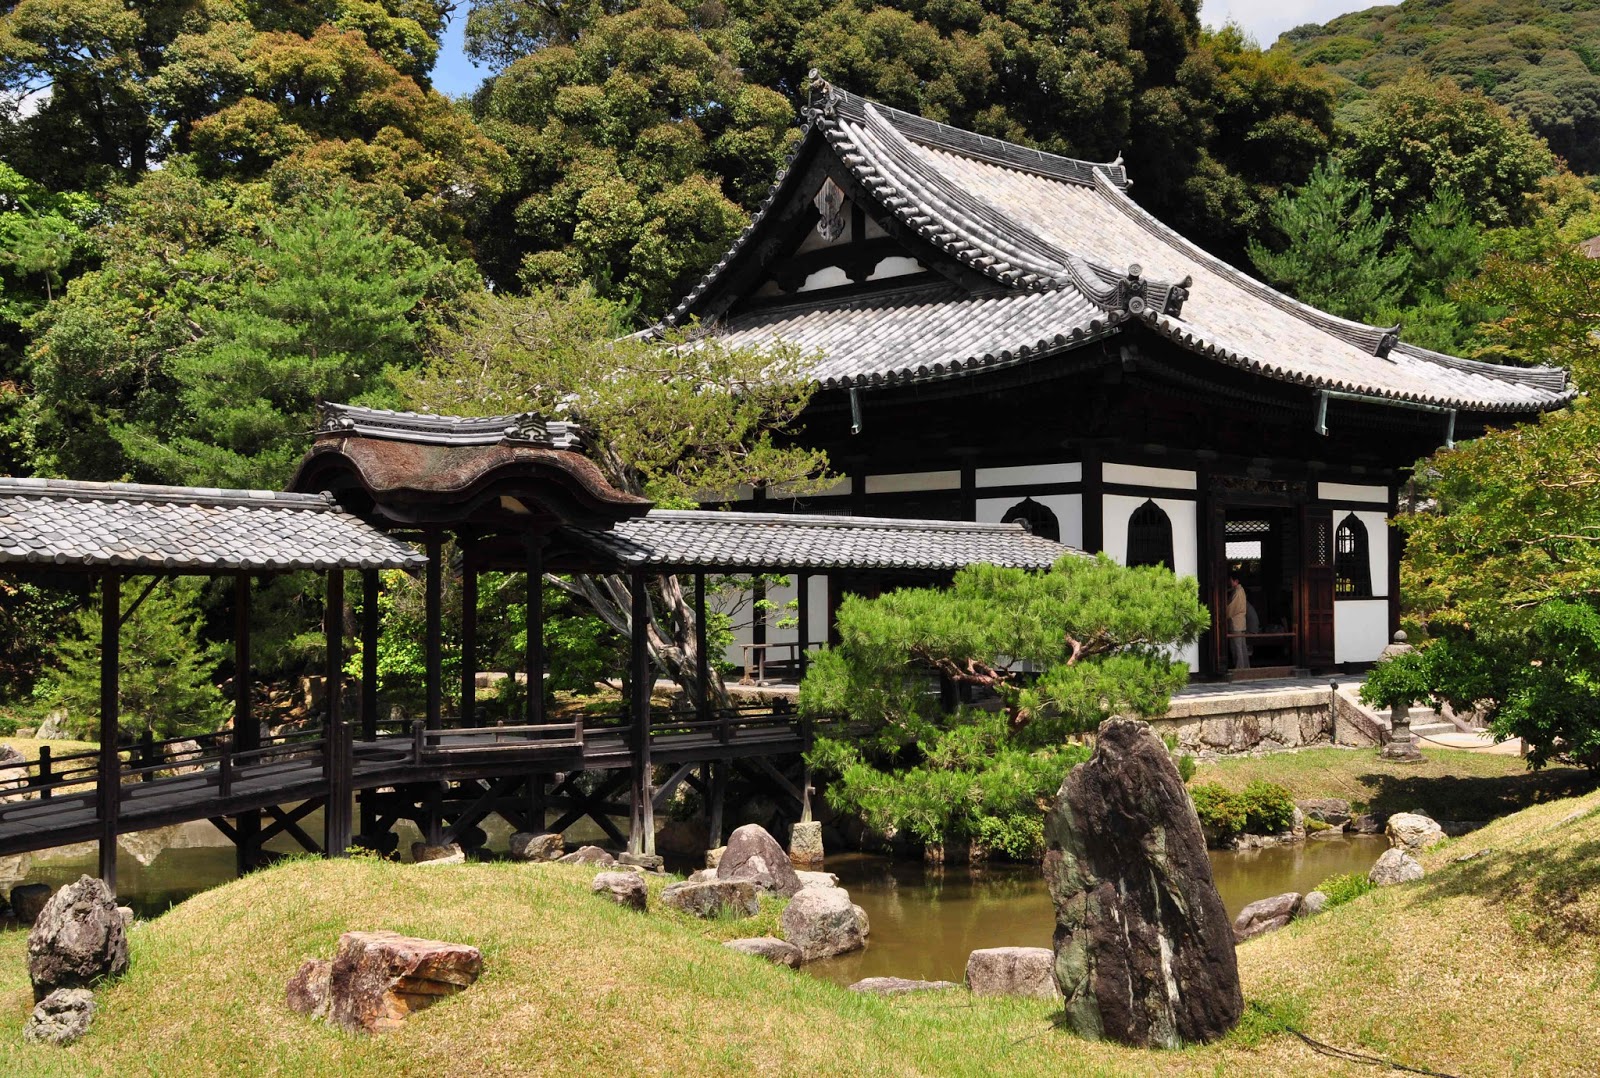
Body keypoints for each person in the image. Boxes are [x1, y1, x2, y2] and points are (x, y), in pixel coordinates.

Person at [1226, 571, 1249, 670]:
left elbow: (1232, 608)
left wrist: (1224, 613)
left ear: (1236, 581)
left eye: (1231, 581)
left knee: (1237, 646)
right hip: (1241, 622)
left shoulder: (1238, 592)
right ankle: (1245, 667)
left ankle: (1240, 668)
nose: (1230, 582)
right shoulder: (1240, 590)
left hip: (1237, 623)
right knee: (1242, 646)